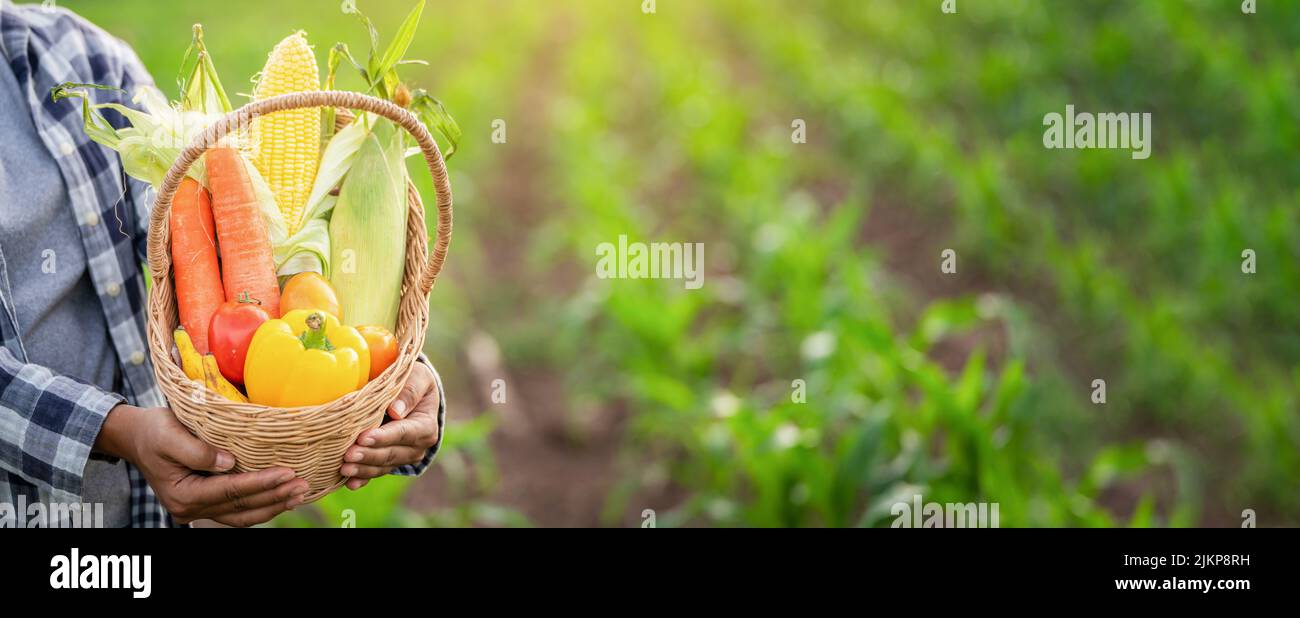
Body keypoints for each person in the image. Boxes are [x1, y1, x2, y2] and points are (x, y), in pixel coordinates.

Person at [0, 0, 445, 527]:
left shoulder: (82, 58)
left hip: (158, 500)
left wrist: (399, 381)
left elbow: (178, 209)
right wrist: (118, 430)